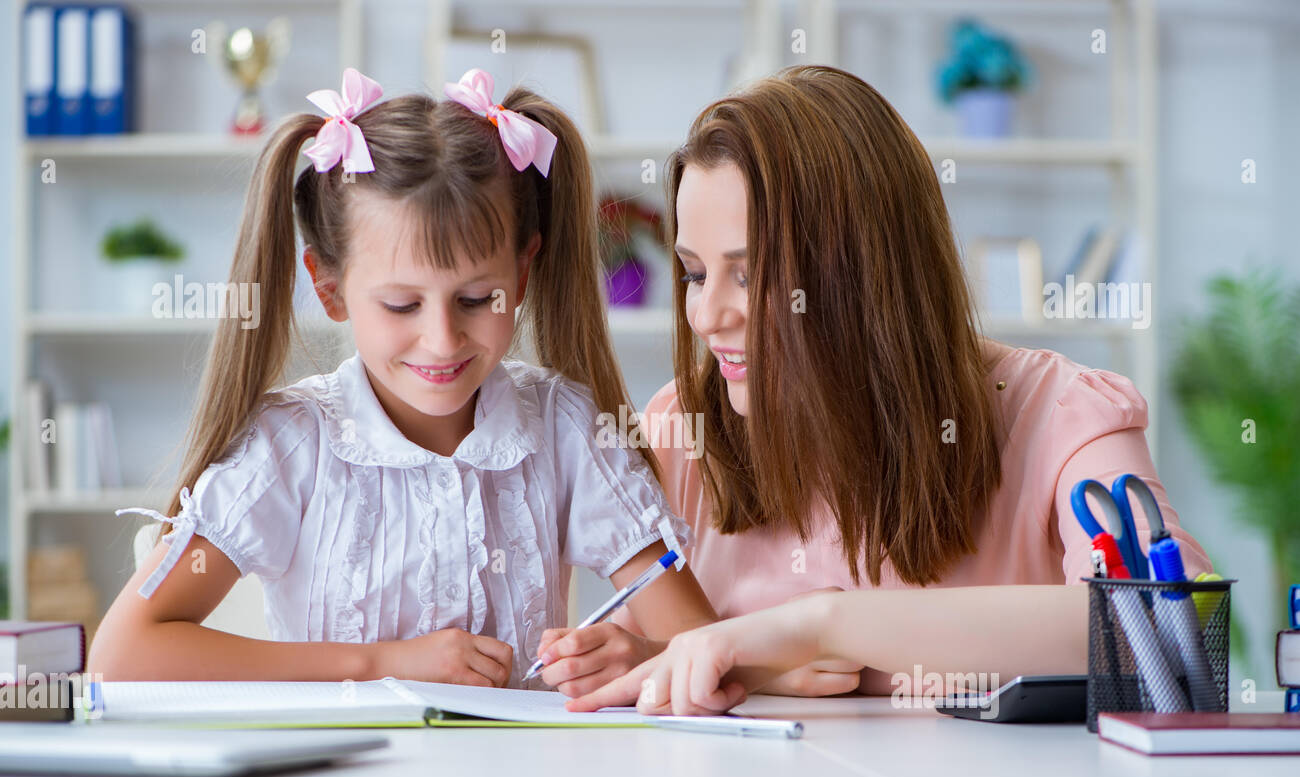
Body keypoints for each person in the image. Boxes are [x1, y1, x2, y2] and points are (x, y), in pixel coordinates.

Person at [564, 64, 1211, 715]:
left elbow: (1164, 627)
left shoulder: (1062, 414)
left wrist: (822, 623)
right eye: (696, 274)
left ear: (863, 275)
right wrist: (691, 660)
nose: (705, 316)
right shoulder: (682, 427)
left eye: (749, 273)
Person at [89, 68, 715, 689]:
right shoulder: (289, 446)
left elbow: (700, 643)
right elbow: (122, 655)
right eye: (401, 306)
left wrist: (641, 653)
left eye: (475, 299)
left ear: (523, 275)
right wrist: (384, 663)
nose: (442, 340)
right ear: (329, 288)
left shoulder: (567, 430)